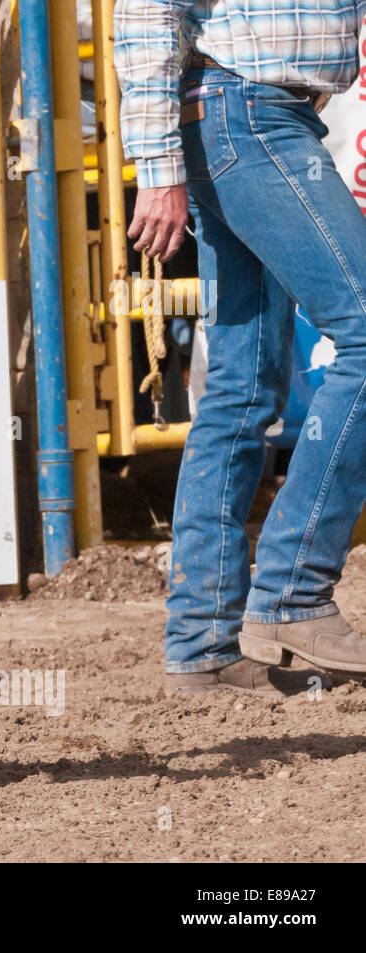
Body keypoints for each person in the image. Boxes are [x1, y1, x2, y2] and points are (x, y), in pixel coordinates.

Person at [115, 0, 366, 698]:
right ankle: (292, 587)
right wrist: (156, 167)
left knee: (241, 385)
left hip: (241, 114)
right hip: (250, 116)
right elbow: (146, 10)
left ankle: (204, 642)